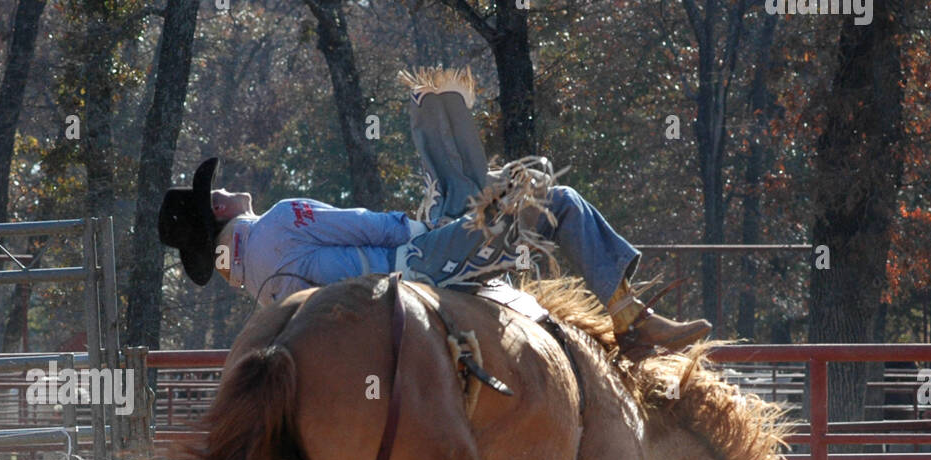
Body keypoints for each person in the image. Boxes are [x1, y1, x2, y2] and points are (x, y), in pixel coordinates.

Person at [159, 70, 710, 353]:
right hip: (415, 264)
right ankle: (631, 320)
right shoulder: (279, 221)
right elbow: (361, 225)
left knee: (478, 197)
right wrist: (426, 224)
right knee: (554, 200)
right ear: (219, 209)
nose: (226, 189)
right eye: (216, 192)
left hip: (387, 295)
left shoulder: (259, 287)